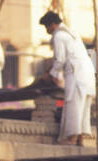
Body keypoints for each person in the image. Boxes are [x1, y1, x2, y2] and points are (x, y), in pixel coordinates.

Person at [39, 9, 95, 145]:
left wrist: (50, 74)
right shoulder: (71, 33)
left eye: (46, 27)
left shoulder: (59, 36)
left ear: (52, 25)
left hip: (76, 74)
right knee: (83, 107)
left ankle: (72, 138)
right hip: (87, 73)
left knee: (73, 105)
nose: (47, 30)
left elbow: (59, 60)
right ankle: (80, 138)